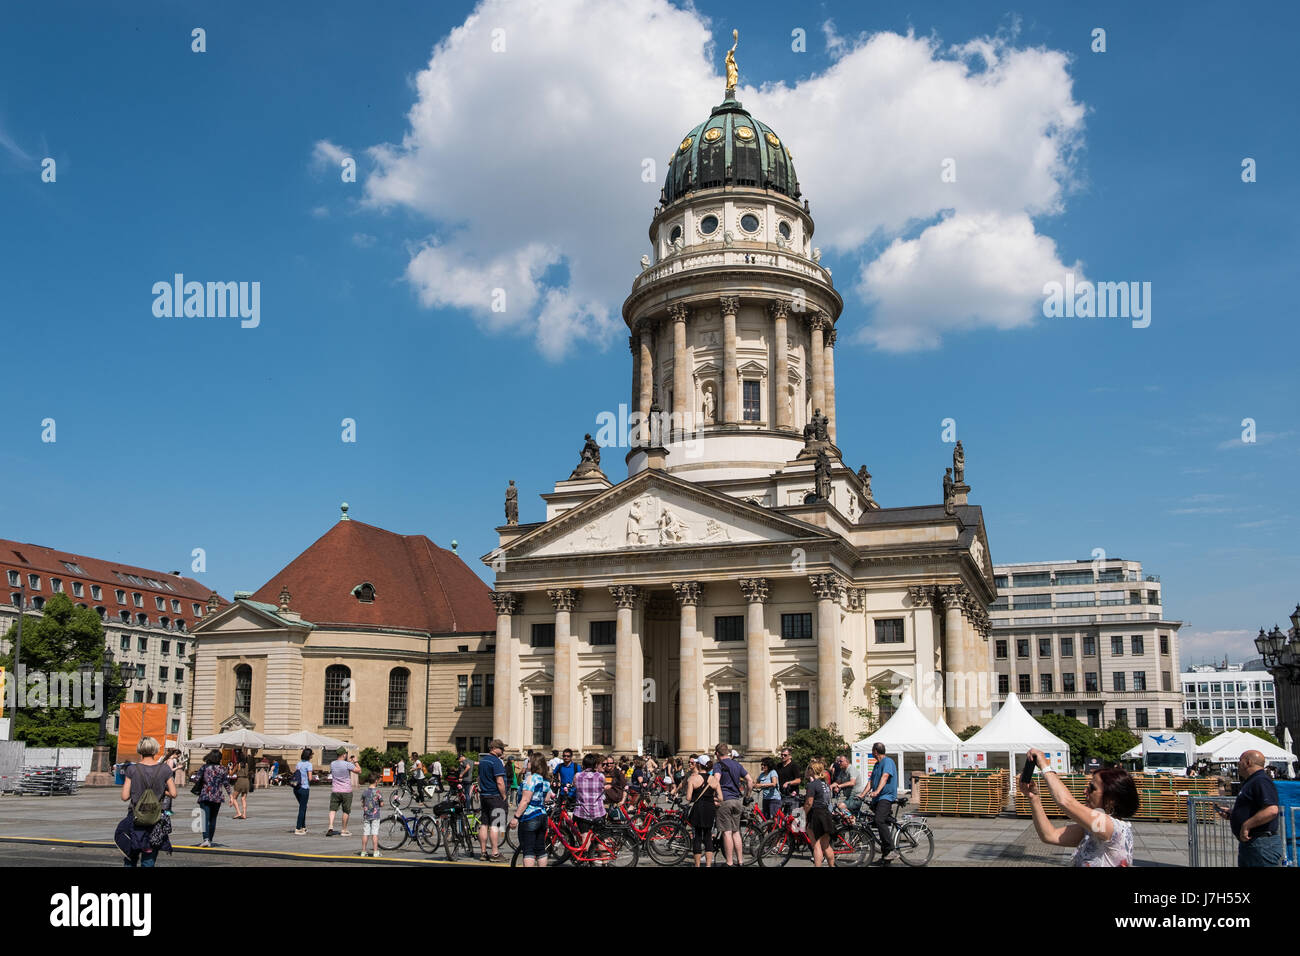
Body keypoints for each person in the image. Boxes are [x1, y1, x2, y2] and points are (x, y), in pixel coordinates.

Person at [1019, 746, 1138, 866]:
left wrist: (1045, 765)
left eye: (1092, 788)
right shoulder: (1095, 828)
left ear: (1110, 800)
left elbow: (1066, 802)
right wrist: (1034, 798)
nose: (1084, 791)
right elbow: (1050, 835)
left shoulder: (1112, 827)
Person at [116, 736, 176, 867]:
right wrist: (161, 792)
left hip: (136, 816)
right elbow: (173, 793)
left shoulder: (132, 769)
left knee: (131, 856)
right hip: (155, 818)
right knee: (149, 857)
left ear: (140, 750)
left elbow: (125, 796)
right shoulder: (165, 769)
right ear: (155, 750)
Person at [1220, 750, 1281, 867]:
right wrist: (1233, 814)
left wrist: (1247, 825)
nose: (1237, 763)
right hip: (1252, 844)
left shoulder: (1260, 780)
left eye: (1240, 760)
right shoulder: (1253, 781)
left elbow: (1272, 810)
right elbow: (1254, 809)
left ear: (1248, 762)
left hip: (1261, 844)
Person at [710, 744, 753, 867]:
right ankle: (740, 861)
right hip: (737, 801)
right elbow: (750, 781)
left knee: (727, 833)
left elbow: (716, 780)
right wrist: (747, 796)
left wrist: (714, 795)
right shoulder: (737, 765)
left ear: (717, 754)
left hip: (724, 801)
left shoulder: (718, 765)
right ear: (728, 753)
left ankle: (729, 862)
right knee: (736, 832)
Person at [510, 753, 553, 867]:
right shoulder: (546, 780)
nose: (527, 763)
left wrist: (515, 817)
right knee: (540, 849)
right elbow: (547, 798)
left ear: (534, 764)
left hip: (529, 816)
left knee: (528, 850)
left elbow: (525, 800)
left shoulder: (531, 778)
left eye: (529, 761)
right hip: (542, 815)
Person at [860, 743, 898, 864]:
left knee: (879, 820)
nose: (872, 753)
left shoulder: (888, 762)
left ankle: (891, 850)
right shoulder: (876, 765)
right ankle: (885, 858)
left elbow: (885, 776)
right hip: (878, 799)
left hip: (886, 797)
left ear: (875, 751)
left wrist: (877, 791)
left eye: (872, 751)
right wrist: (862, 794)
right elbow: (871, 782)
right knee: (879, 823)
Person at [684, 755, 721, 867]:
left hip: (698, 808)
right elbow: (721, 798)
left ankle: (698, 865)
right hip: (710, 808)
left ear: (698, 765)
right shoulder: (713, 779)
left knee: (697, 837)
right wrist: (711, 798)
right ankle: (708, 865)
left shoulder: (693, 778)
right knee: (708, 836)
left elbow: (688, 798)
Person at [478, 738, 509, 862]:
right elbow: (500, 781)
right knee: (495, 824)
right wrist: (504, 796)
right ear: (495, 748)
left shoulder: (483, 761)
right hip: (495, 796)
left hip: (484, 796)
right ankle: (495, 853)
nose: (503, 751)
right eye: (502, 748)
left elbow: (479, 778)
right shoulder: (496, 761)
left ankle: (483, 852)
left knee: (484, 824)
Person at [194, 749, 232, 848]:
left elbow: (196, 779)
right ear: (219, 758)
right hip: (217, 796)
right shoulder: (223, 769)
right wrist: (231, 796)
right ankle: (210, 840)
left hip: (205, 795)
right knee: (213, 819)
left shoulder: (205, 767)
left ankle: (206, 839)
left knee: (204, 818)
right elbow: (226, 784)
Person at [573, 753, 607, 859]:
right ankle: (604, 861)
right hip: (598, 811)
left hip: (582, 812)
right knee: (600, 838)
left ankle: (588, 860)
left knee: (585, 838)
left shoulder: (577, 776)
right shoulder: (601, 776)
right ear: (595, 765)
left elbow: (574, 786)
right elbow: (603, 787)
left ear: (583, 764)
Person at [803, 758, 836, 867]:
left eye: (809, 769)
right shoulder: (825, 784)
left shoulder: (812, 785)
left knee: (816, 845)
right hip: (826, 814)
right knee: (826, 845)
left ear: (812, 770)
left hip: (816, 815)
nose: (807, 771)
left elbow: (809, 803)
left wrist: (803, 814)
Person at [326, 751, 359, 837]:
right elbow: (359, 771)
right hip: (346, 791)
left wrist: (349, 763)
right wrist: (355, 762)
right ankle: (344, 830)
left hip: (335, 790)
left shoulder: (332, 763)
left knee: (333, 809)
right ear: (344, 754)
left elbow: (340, 767)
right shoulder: (347, 764)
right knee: (346, 811)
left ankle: (330, 826)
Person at [359, 771, 384, 858]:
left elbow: (362, 803)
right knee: (374, 834)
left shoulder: (365, 792)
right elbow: (381, 804)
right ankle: (376, 852)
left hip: (366, 815)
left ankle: (363, 851)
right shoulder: (377, 792)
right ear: (376, 781)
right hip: (375, 816)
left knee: (365, 833)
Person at [292, 748, 313, 835]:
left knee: (303, 807)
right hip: (304, 788)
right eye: (312, 754)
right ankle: (297, 828)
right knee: (302, 808)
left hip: (296, 788)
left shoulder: (298, 764)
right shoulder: (309, 765)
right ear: (309, 755)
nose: (312, 756)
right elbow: (310, 778)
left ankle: (303, 827)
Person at [231, 751, 253, 819]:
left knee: (233, 798)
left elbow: (231, 773)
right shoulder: (246, 764)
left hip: (240, 781)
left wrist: (230, 768)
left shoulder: (238, 765)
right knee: (243, 799)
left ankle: (238, 813)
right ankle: (244, 814)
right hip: (246, 781)